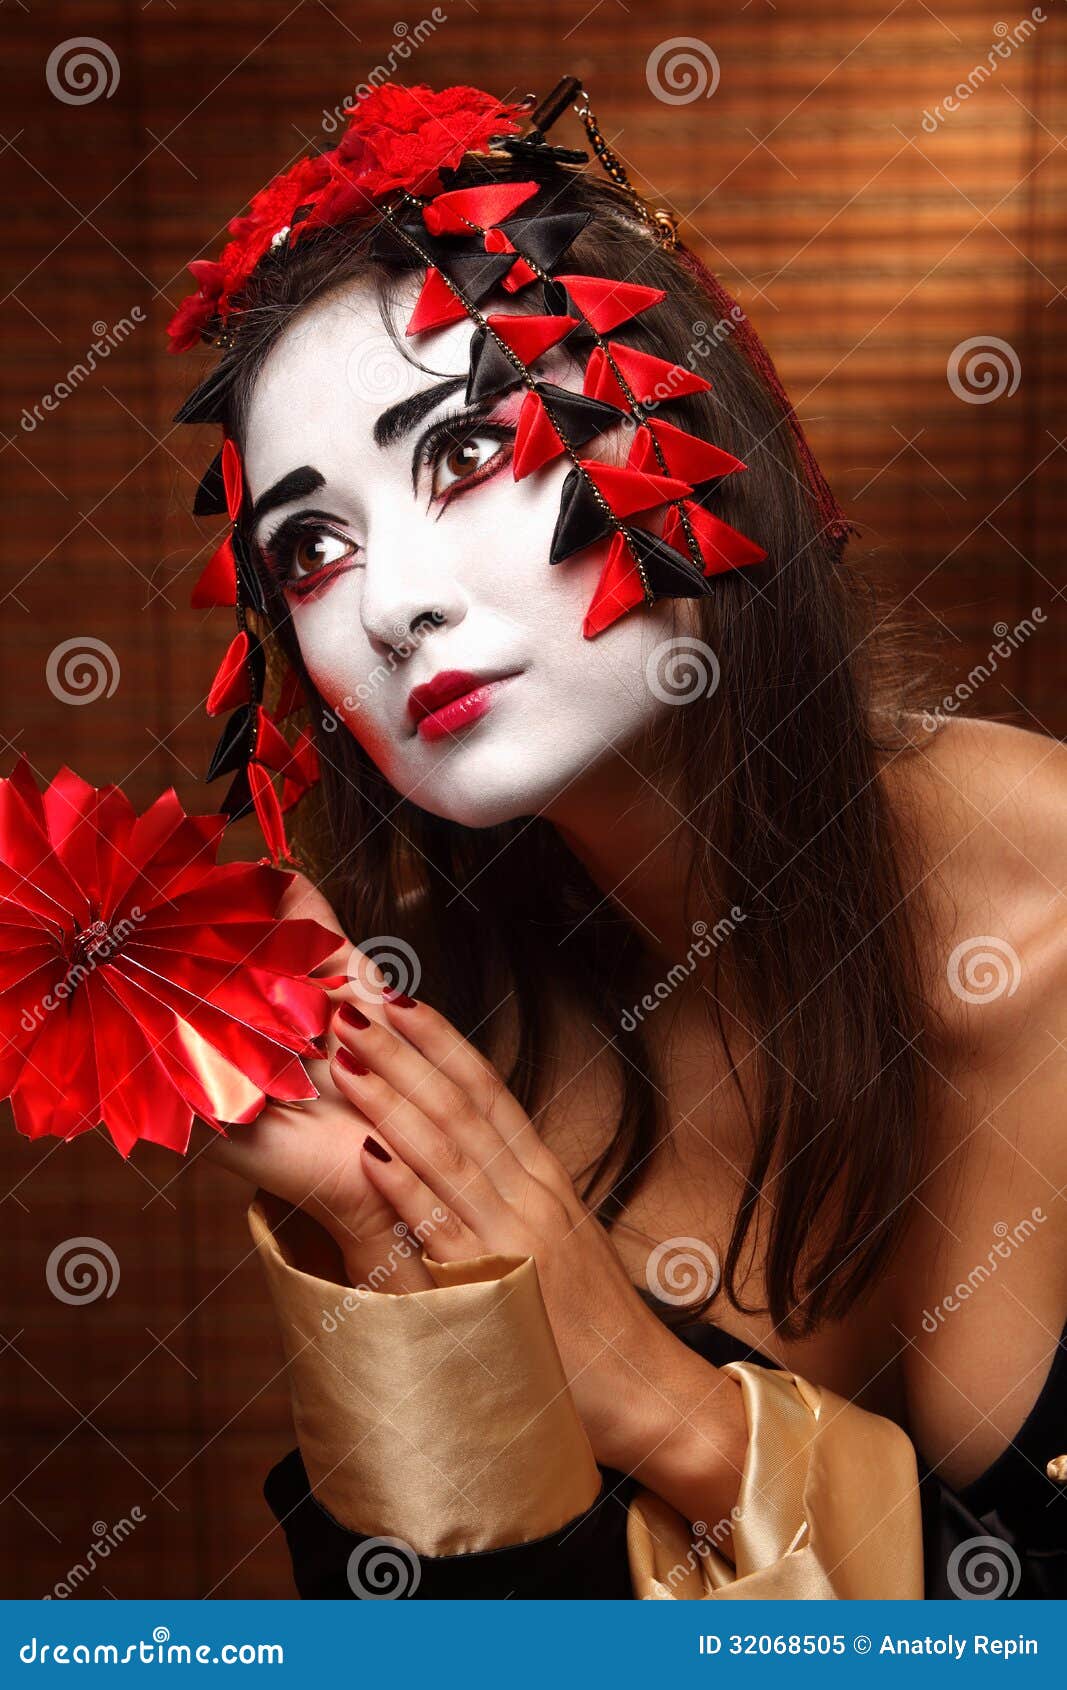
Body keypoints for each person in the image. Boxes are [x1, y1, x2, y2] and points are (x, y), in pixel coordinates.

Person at [168, 77, 1067, 1599]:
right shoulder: (444, 1047)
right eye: (313, 548)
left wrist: (673, 1412)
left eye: (458, 453)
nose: (390, 605)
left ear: (686, 424)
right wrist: (383, 1236)